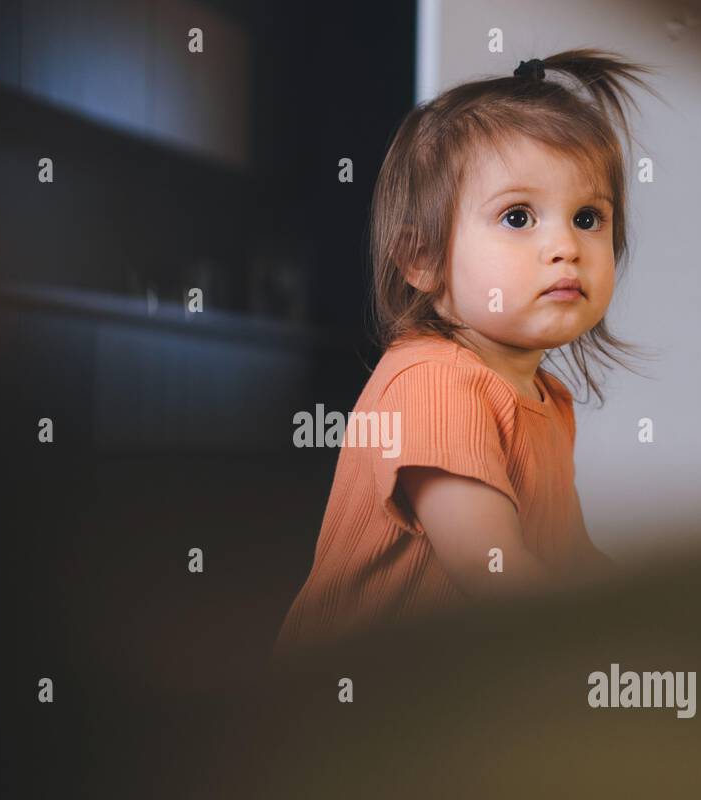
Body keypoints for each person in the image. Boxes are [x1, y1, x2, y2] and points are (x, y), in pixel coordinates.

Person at [275, 50, 655, 655]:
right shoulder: (431, 385)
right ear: (421, 259)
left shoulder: (546, 399)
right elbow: (496, 574)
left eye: (588, 217)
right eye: (517, 215)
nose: (565, 246)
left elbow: (569, 556)